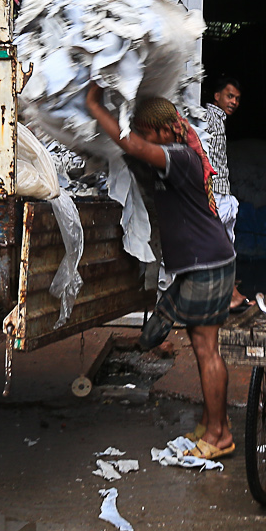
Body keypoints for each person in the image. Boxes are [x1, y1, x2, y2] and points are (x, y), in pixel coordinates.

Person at [86, 87, 237, 461]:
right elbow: (135, 153)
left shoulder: (180, 157)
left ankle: (218, 435)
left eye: (146, 133)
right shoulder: (176, 152)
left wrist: (94, 106)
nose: (141, 140)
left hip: (207, 263)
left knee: (206, 350)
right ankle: (214, 424)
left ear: (166, 130)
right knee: (202, 347)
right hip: (202, 262)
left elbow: (135, 148)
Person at [198, 77, 245, 308]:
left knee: (223, 244)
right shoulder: (210, 119)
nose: (234, 101)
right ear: (216, 96)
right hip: (214, 192)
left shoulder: (218, 120)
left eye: (237, 98)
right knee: (221, 245)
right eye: (230, 96)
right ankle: (230, 295)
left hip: (219, 192)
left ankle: (228, 294)